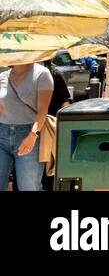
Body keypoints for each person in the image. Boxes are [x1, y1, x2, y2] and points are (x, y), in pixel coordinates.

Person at [0, 61, 54, 191]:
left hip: (29, 134)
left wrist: (33, 135)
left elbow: (43, 110)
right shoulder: (3, 76)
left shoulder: (42, 74)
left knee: (29, 186)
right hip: (2, 134)